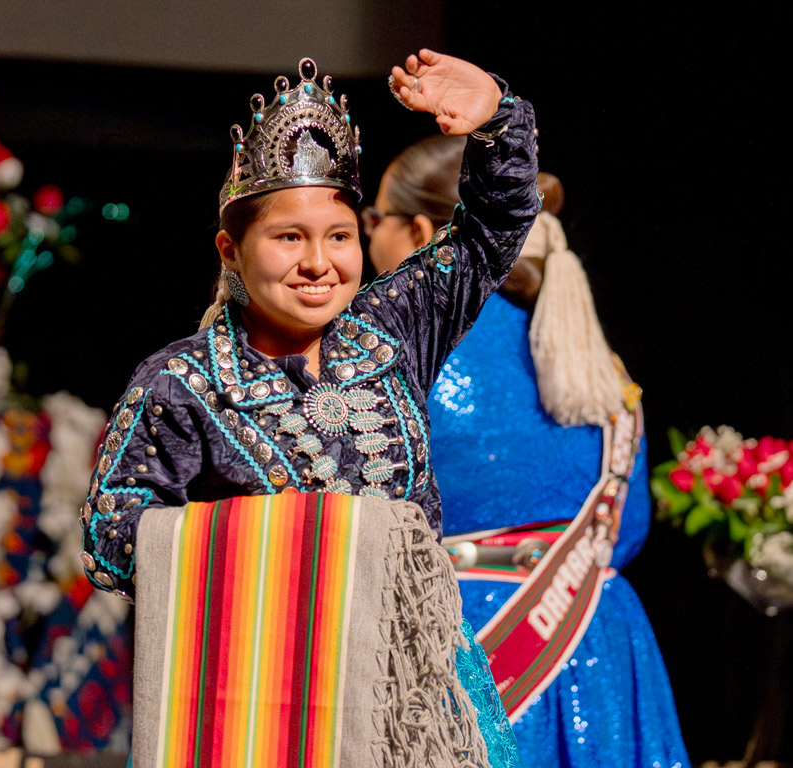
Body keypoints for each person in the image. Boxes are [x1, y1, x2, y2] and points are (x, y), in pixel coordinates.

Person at [81, 50, 540, 767]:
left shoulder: (393, 331)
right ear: (231, 250)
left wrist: (497, 120)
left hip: (411, 694)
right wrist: (297, 536)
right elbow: (112, 536)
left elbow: (493, 227)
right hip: (266, 703)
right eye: (288, 238)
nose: (318, 263)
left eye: (339, 237)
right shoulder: (183, 381)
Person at [366, 134, 691, 768]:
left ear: (423, 231)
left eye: (374, 220)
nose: (367, 240)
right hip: (596, 644)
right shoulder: (599, 364)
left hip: (447, 646)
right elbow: (624, 534)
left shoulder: (393, 353)